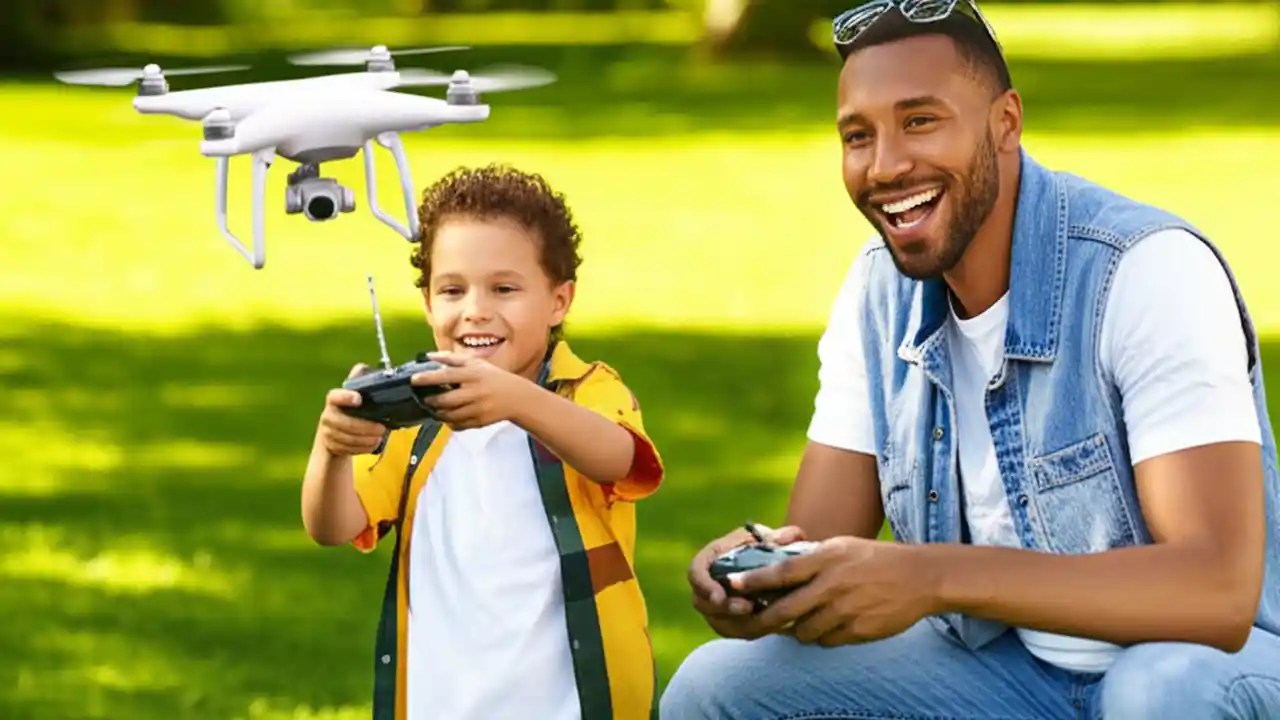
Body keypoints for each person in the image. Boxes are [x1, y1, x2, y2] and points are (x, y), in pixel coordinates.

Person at [660, 1, 1280, 718]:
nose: (885, 166)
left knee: (1158, 692)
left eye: (920, 120)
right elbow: (823, 535)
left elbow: (1217, 593)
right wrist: (763, 572)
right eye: (858, 136)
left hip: (1220, 670)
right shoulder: (877, 291)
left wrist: (937, 578)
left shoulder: (1144, 272)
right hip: (1008, 673)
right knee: (720, 687)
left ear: (1005, 123)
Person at [299, 164, 665, 720]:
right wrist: (331, 450)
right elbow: (332, 526)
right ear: (427, 303)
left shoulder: (585, 391)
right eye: (452, 289)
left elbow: (621, 458)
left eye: (505, 288)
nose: (475, 309)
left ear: (559, 301)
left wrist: (515, 400)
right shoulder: (419, 417)